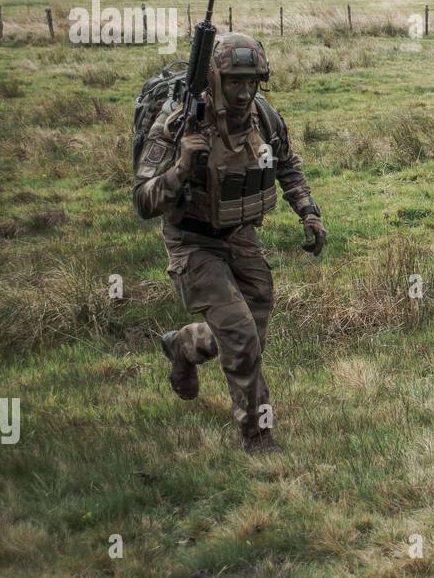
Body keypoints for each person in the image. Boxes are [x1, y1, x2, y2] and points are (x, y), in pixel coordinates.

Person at [133, 33, 326, 453]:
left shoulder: (264, 117)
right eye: (235, 82)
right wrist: (182, 168)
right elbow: (142, 201)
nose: (243, 93)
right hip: (193, 242)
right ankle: (257, 435)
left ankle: (183, 345)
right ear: (215, 78)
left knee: (249, 337)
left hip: (241, 236)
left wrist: (308, 211)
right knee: (240, 338)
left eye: (251, 83)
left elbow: (286, 162)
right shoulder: (178, 123)